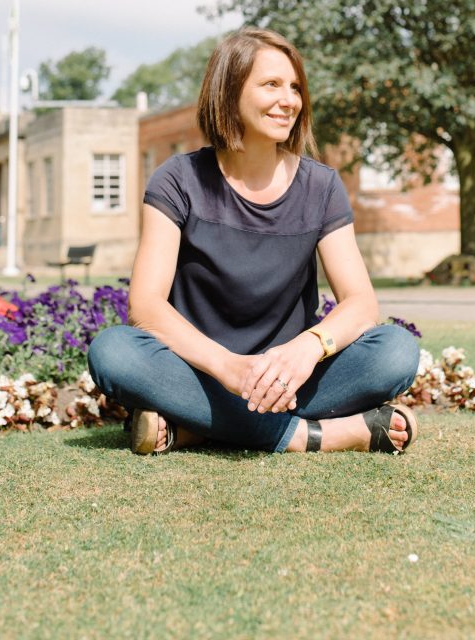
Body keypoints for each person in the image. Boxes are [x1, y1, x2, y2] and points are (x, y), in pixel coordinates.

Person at [88, 27, 419, 455]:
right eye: (271, 85)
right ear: (229, 93)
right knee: (113, 352)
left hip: (295, 376)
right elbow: (146, 308)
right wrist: (231, 370)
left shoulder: (321, 186)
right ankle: (318, 436)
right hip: (201, 371)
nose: (289, 100)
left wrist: (307, 348)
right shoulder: (177, 179)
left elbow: (360, 303)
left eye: (295, 87)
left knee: (395, 351)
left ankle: (197, 428)